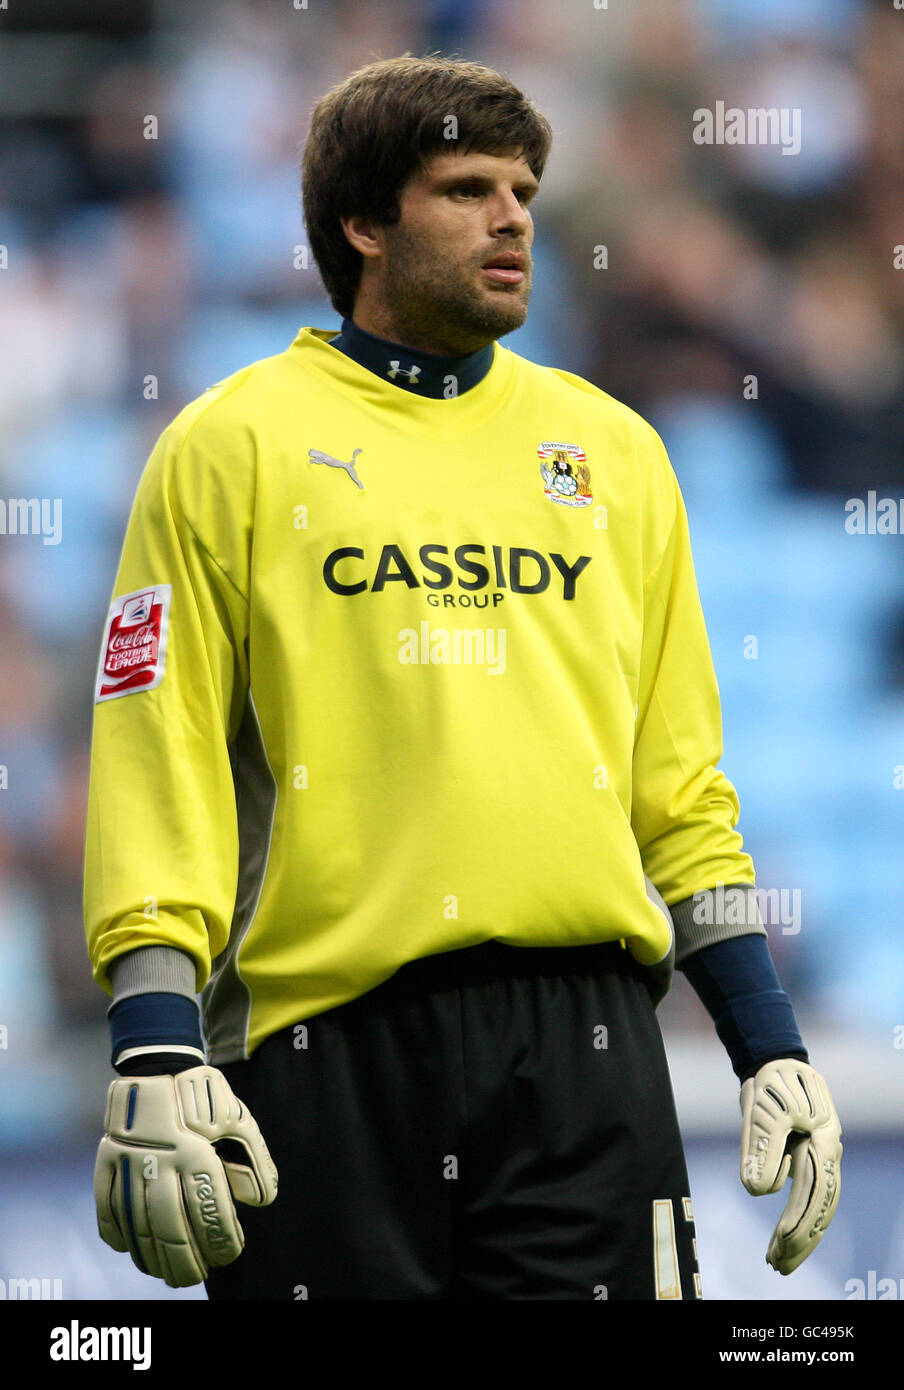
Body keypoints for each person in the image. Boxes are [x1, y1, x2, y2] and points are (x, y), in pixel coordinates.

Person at [84, 54, 841, 1301]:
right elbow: (155, 752)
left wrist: (768, 1041)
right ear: (363, 223)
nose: (512, 220)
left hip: (587, 1051)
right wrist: (156, 1043)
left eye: (525, 192)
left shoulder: (616, 455)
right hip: (324, 1053)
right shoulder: (228, 447)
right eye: (466, 188)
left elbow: (681, 791)